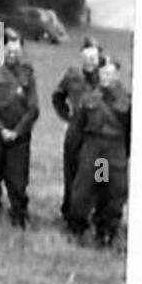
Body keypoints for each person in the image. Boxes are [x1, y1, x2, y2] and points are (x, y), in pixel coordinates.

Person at [67, 58, 131, 245]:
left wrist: (124, 153)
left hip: (115, 149)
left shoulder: (127, 100)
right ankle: (80, 228)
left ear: (117, 76)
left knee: (115, 192)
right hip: (96, 152)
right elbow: (78, 127)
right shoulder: (90, 99)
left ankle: (107, 231)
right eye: (103, 73)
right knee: (91, 187)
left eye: (110, 74)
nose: (106, 78)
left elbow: (130, 132)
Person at [0, 28, 38, 227]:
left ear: (21, 52)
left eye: (16, 51)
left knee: (17, 181)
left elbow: (33, 108)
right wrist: (0, 129)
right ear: (2, 50)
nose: (12, 54)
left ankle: (19, 216)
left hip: (19, 139)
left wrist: (17, 131)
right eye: (9, 51)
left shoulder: (28, 74)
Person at [52, 38, 102, 221]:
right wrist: (67, 117)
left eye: (93, 57)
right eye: (86, 57)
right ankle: (69, 214)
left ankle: (97, 214)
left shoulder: (106, 77)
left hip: (98, 136)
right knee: (72, 174)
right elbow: (57, 96)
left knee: (100, 175)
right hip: (76, 133)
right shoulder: (72, 75)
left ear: (99, 57)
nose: (90, 61)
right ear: (81, 57)